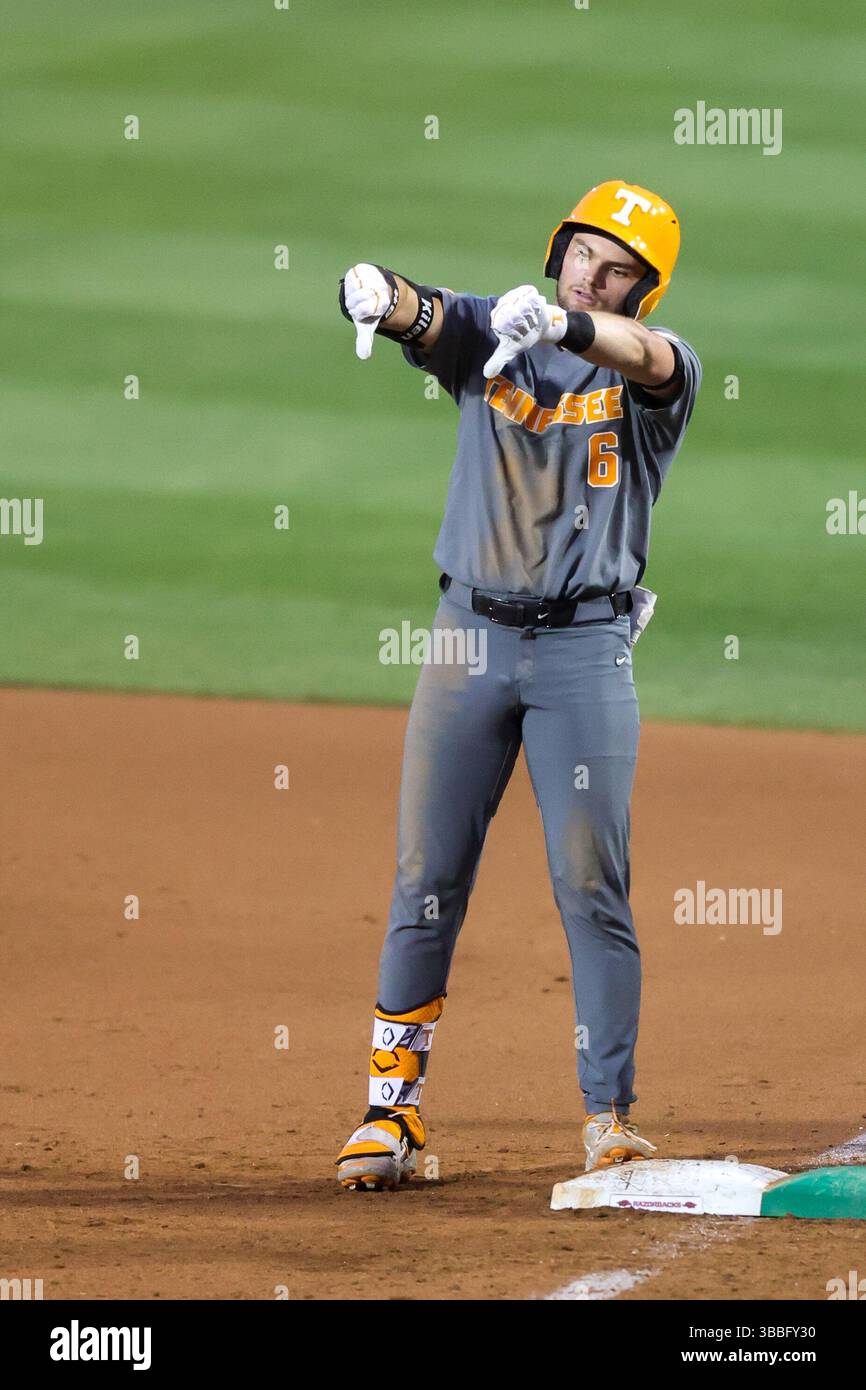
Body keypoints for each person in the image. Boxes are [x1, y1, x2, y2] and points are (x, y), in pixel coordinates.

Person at [334, 181, 702, 1191]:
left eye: (616, 266)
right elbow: (427, 312)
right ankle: (390, 1115)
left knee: (589, 883)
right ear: (558, 248)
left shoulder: (651, 371)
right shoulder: (492, 333)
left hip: (582, 653)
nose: (592, 270)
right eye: (582, 251)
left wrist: (572, 325)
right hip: (464, 642)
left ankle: (609, 1119)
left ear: (642, 287)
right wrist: (370, 293)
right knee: (425, 878)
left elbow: (652, 359)